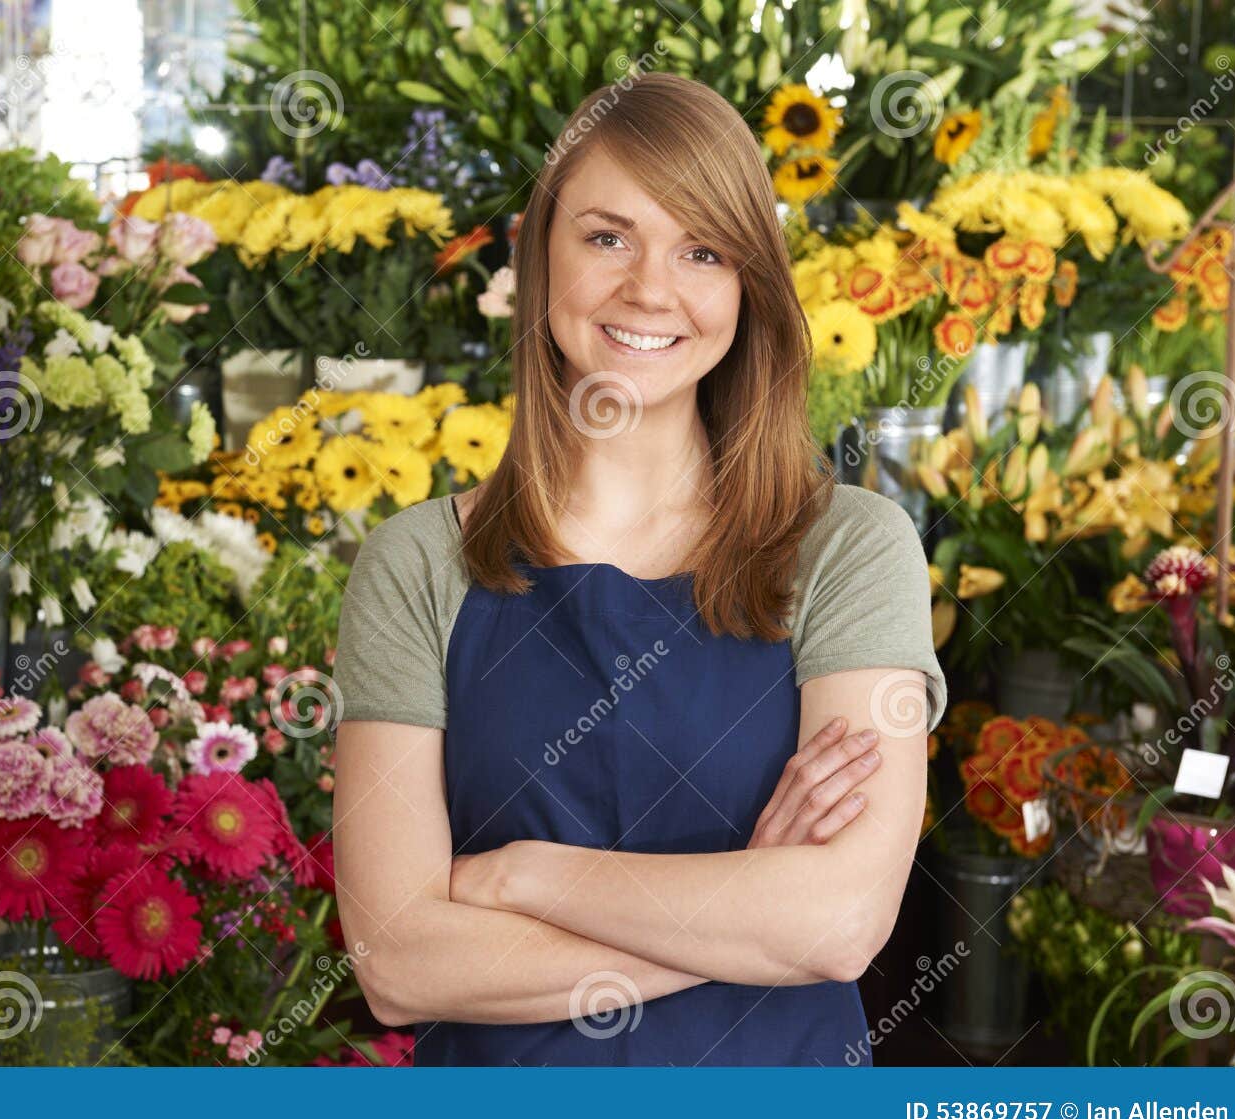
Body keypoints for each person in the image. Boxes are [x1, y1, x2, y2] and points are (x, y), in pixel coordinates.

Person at [330, 71, 947, 1066]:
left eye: (702, 250)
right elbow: (398, 961)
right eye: (607, 236)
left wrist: (516, 874)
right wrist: (749, 897)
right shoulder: (416, 565)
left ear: (746, 286)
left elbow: (838, 922)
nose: (650, 289)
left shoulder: (851, 549)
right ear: (539, 254)